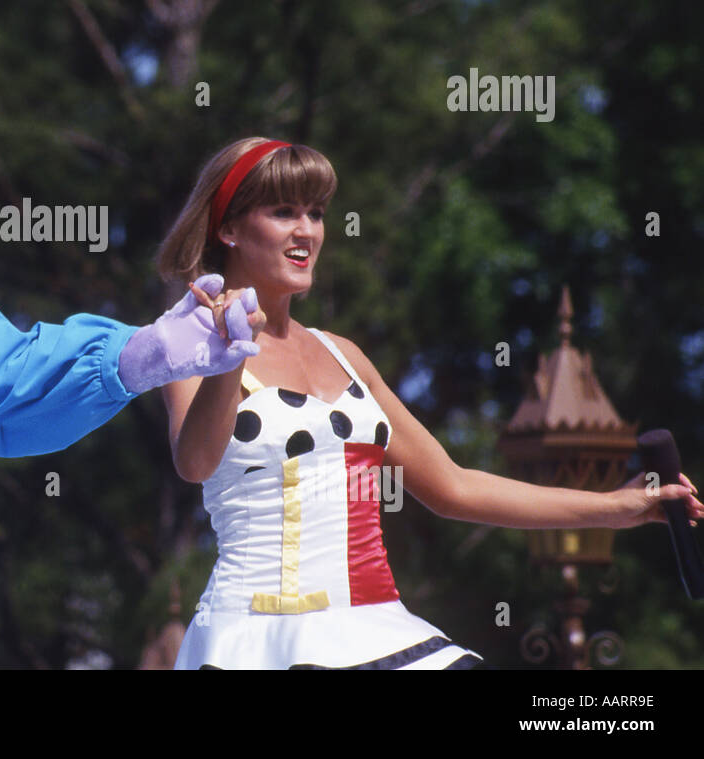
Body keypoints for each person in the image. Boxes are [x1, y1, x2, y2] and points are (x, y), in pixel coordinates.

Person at [156, 137, 703, 670]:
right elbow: (194, 462)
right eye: (283, 212)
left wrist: (615, 507)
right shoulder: (187, 341)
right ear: (227, 227)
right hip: (256, 642)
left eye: (316, 213)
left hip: (375, 631)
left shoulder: (343, 354)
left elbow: (454, 486)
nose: (307, 231)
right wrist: (230, 354)